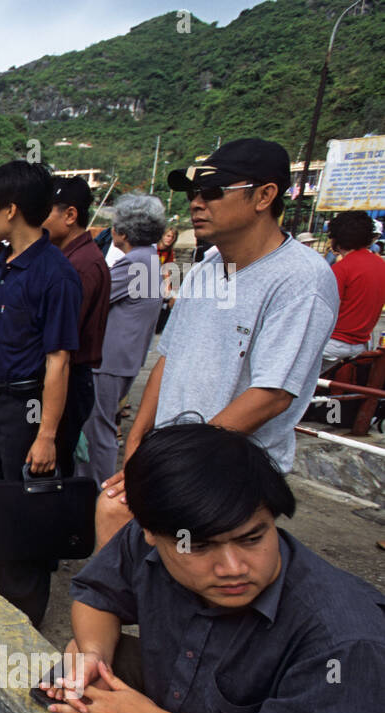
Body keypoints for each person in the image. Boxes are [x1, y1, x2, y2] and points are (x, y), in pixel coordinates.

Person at [43, 422, 384, 713]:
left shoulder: (342, 639)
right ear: (149, 532)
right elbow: (95, 596)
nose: (233, 569)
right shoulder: (151, 534)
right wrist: (94, 655)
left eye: (253, 538)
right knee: (78, 665)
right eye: (200, 547)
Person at [98, 138, 339, 549]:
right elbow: (168, 358)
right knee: (116, 520)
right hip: (176, 456)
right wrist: (138, 443)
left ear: (265, 195)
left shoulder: (301, 280)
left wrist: (176, 461)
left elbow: (272, 394)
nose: (196, 203)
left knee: (197, 576)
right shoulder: (209, 266)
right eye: (193, 193)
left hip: (231, 469)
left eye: (212, 192)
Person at [0, 160, 81, 627]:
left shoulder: (55, 274)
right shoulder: (2, 265)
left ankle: (21, 614)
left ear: (12, 209)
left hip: (27, 408)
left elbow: (58, 360)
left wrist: (47, 433)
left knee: (26, 509)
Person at [77, 194, 166, 486]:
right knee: (103, 426)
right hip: (126, 358)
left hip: (109, 360)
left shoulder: (133, 264)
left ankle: (97, 490)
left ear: (123, 232)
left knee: (97, 430)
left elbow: (91, 296)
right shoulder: (150, 259)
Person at [42, 176, 112, 478]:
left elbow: (61, 339)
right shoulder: (70, 257)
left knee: (52, 467)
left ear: (70, 215)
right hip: (68, 377)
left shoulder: (81, 265)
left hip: (69, 379)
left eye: (45, 212)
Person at [323, 210, 385, 368]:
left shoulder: (341, 269)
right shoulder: (380, 265)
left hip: (333, 345)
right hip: (362, 344)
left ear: (337, 238)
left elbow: (323, 310)